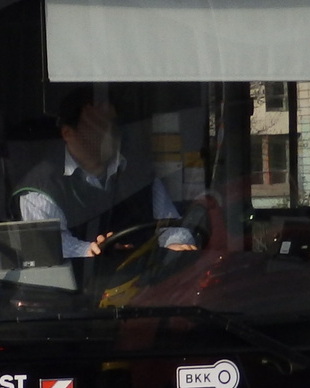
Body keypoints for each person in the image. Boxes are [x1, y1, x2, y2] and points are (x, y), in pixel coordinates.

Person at [15, 86, 192, 259]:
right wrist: (92, 249)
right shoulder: (40, 188)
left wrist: (175, 244)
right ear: (68, 133)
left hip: (140, 281)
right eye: (97, 125)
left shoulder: (139, 171)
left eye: (111, 124)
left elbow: (170, 224)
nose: (108, 133)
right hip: (78, 284)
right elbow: (45, 247)